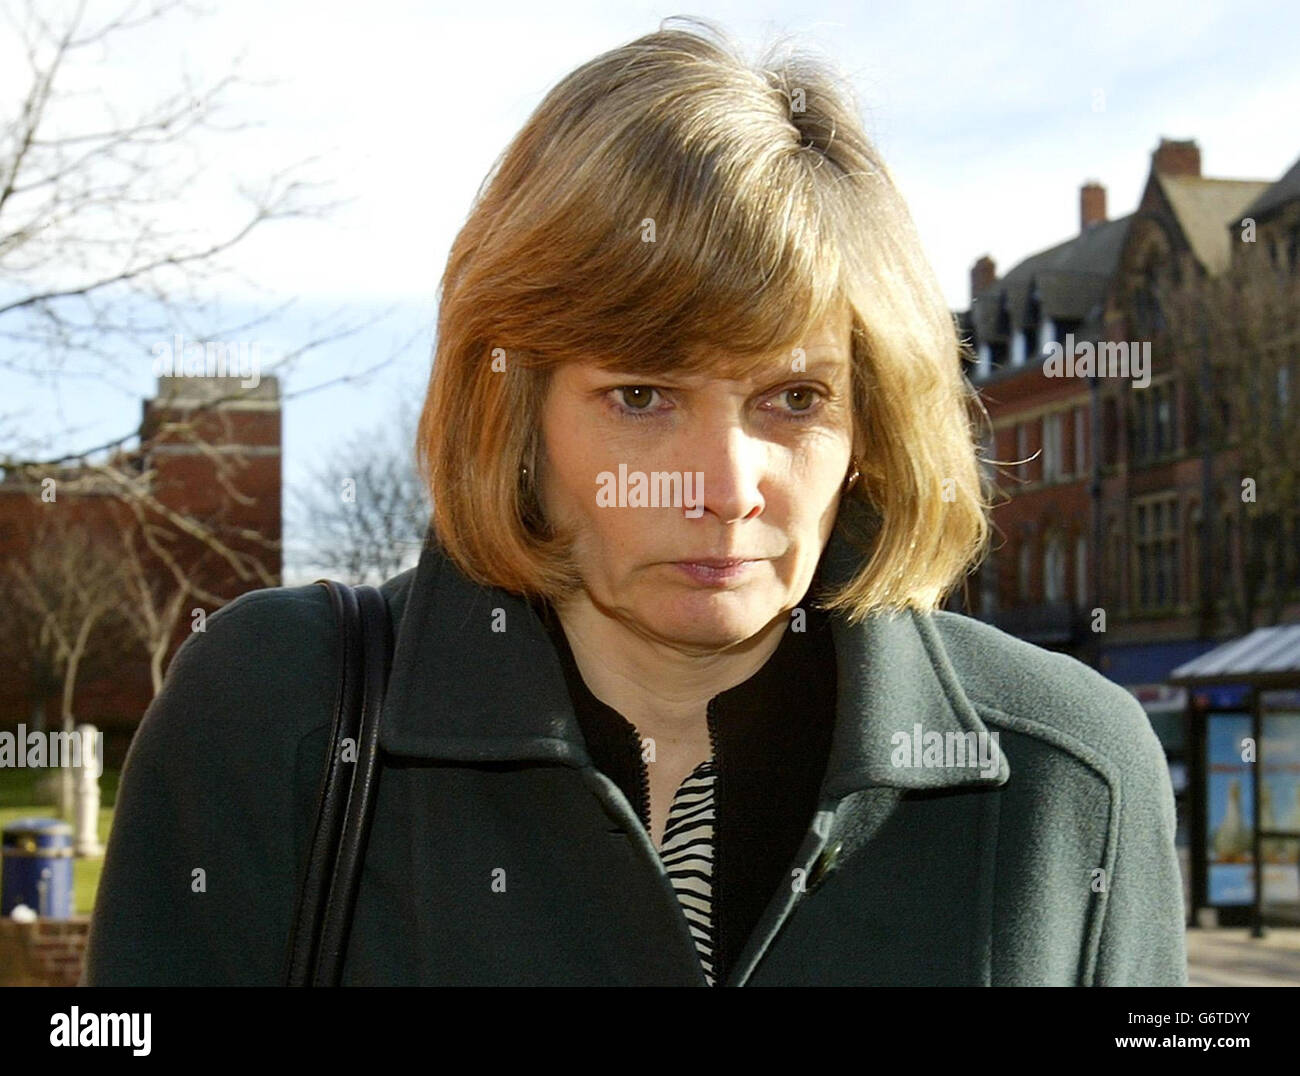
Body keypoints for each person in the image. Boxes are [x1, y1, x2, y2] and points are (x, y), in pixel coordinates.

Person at [82, 17, 1186, 986]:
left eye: (794, 396)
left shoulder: (1069, 776)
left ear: (873, 425)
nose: (725, 485)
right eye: (643, 394)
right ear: (514, 406)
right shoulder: (275, 713)